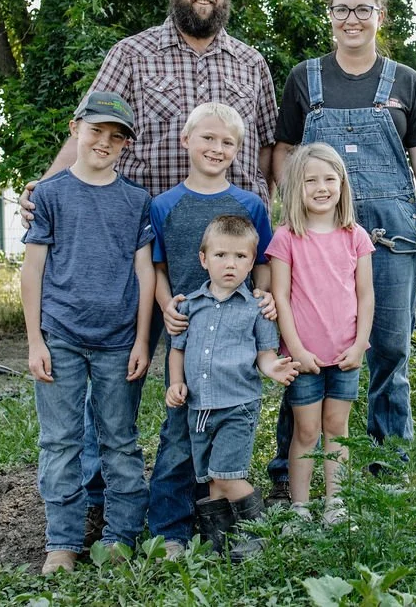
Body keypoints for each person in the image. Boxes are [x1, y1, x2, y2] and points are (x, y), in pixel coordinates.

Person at [19, 0, 278, 544]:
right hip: (147, 246)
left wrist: (279, 228)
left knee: (216, 381)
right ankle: (97, 499)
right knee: (124, 377)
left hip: (230, 258)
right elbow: (89, 129)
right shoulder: (130, 54)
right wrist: (49, 187)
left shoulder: (251, 64)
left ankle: (205, 497)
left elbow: (269, 150)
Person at [269, 0, 416, 496]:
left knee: (389, 348)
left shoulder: (405, 82)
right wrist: (290, 216)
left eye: (363, 10)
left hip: (391, 234)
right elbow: (284, 152)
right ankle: (291, 470)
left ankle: (386, 468)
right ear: (329, 16)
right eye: (341, 10)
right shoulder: (306, 79)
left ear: (380, 16)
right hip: (316, 235)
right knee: (302, 346)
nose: (351, 19)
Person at [20, 92, 155, 575]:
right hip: (61, 336)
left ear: (125, 146)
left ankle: (120, 534)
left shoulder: (137, 201)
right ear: (76, 128)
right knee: (60, 441)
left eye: (116, 137)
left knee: (120, 439)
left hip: (119, 340)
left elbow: (145, 274)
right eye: (96, 131)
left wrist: (142, 340)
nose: (105, 142)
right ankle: (62, 540)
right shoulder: (49, 195)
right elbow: (32, 270)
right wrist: (36, 340)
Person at [149, 101, 275, 559]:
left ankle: (228, 537)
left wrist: (266, 296)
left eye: (227, 142)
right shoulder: (164, 205)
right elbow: (157, 265)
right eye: (207, 138)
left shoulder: (249, 204)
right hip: (189, 334)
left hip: (237, 338)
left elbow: (262, 263)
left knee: (227, 431)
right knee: (179, 434)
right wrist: (167, 306)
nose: (216, 148)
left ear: (238, 150)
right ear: (186, 141)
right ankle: (171, 532)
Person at [165, 215, 298, 562]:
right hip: (199, 407)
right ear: (203, 259)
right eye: (221, 255)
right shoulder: (188, 306)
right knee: (211, 479)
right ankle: (220, 543)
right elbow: (176, 350)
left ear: (252, 262)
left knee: (227, 474)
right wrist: (176, 382)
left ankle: (259, 531)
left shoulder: (257, 308)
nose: (230, 264)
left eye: (241, 257)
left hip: (238, 403)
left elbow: (264, 356)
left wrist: (275, 369)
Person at [267, 143, 374, 527]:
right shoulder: (287, 237)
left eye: (330, 179)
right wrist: (295, 348)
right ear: (297, 187)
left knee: (336, 429)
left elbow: (365, 293)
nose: (321, 187)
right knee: (306, 430)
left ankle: (335, 504)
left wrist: (361, 343)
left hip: (346, 353)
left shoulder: (355, 236)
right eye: (311, 180)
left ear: (342, 184)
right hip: (304, 355)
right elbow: (280, 295)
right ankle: (299, 506)